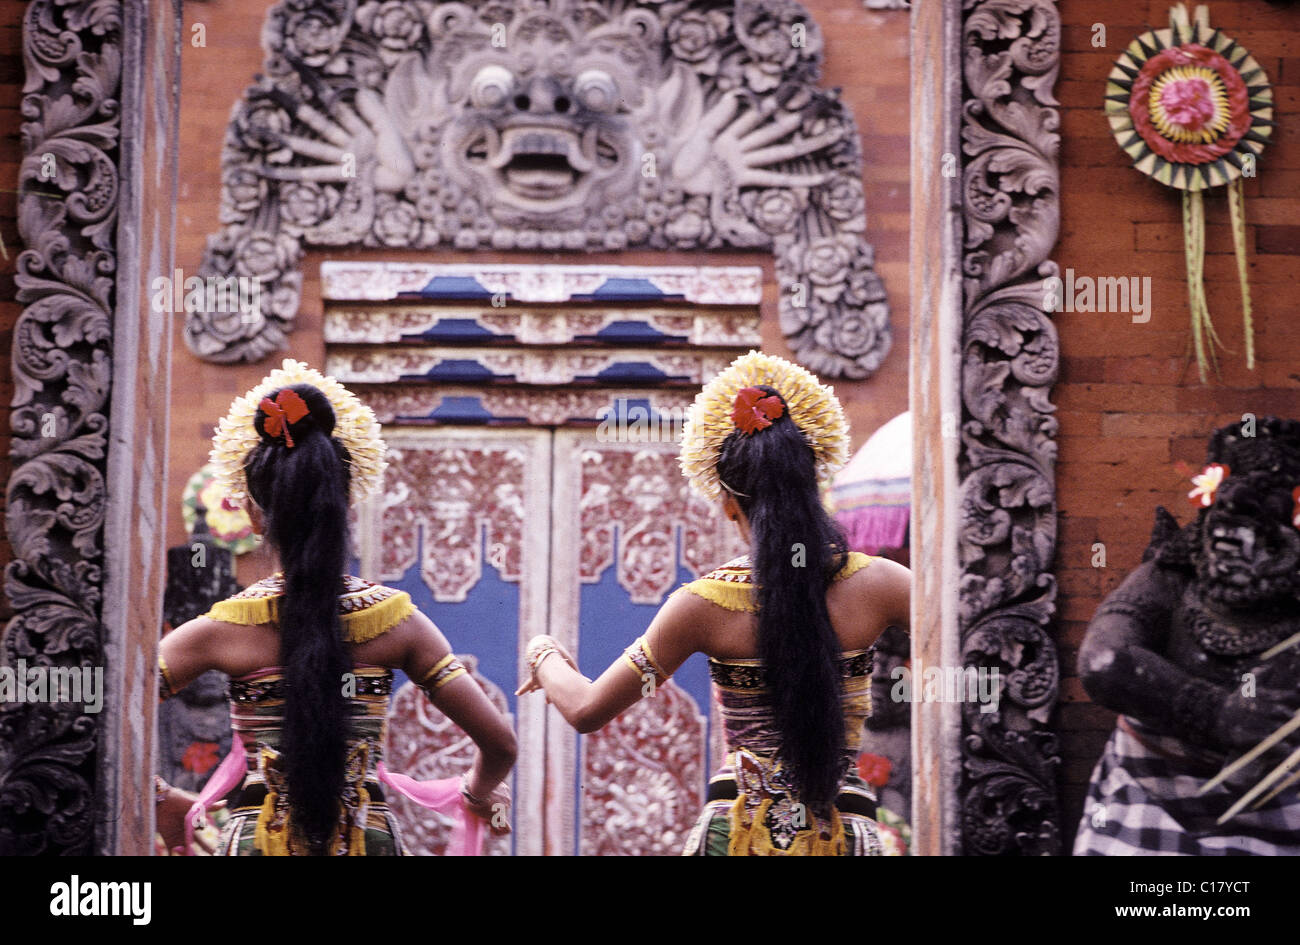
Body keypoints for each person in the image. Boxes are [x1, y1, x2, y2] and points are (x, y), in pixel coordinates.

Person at [518, 351, 911, 855]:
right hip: (842, 836)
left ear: (728, 502)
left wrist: (543, 652)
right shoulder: (879, 585)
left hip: (736, 835)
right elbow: (964, 640)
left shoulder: (702, 607)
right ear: (812, 485)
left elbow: (587, 709)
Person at [155, 360, 516, 855]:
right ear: (344, 503)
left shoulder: (219, 631)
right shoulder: (399, 623)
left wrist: (161, 797)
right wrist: (475, 792)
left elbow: (107, 715)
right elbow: (500, 744)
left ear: (255, 516)